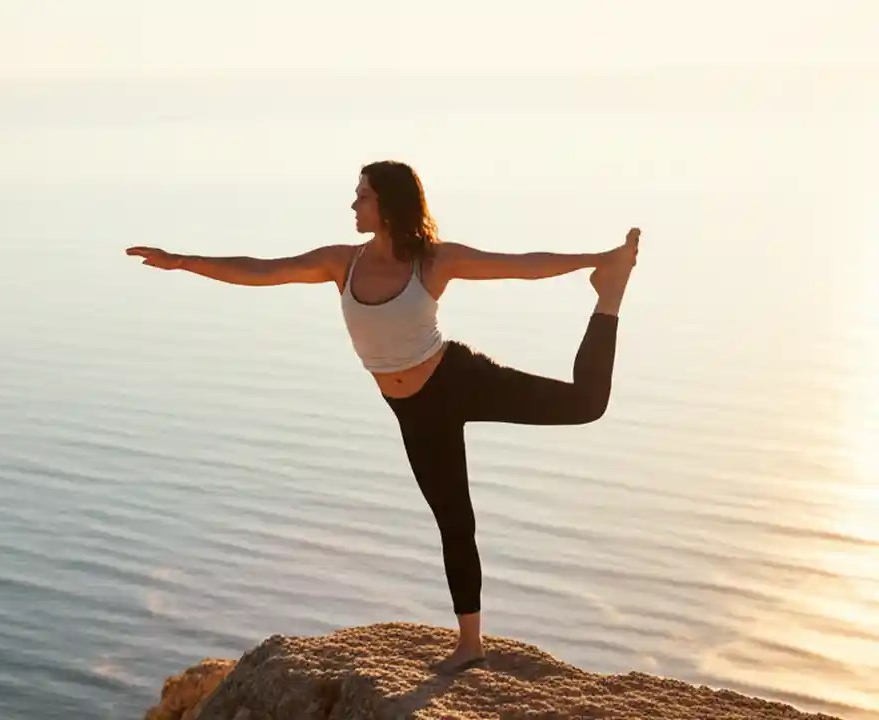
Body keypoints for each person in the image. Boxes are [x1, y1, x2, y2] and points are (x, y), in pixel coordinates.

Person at [125, 160, 639, 675]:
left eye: (363, 196)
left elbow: (519, 265)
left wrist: (597, 260)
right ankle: (471, 644)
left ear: (389, 204)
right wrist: (180, 261)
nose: (353, 204)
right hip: (413, 411)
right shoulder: (341, 263)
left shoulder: (432, 261)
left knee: (586, 404)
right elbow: (261, 270)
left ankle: (609, 294)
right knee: (454, 520)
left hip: (458, 380)